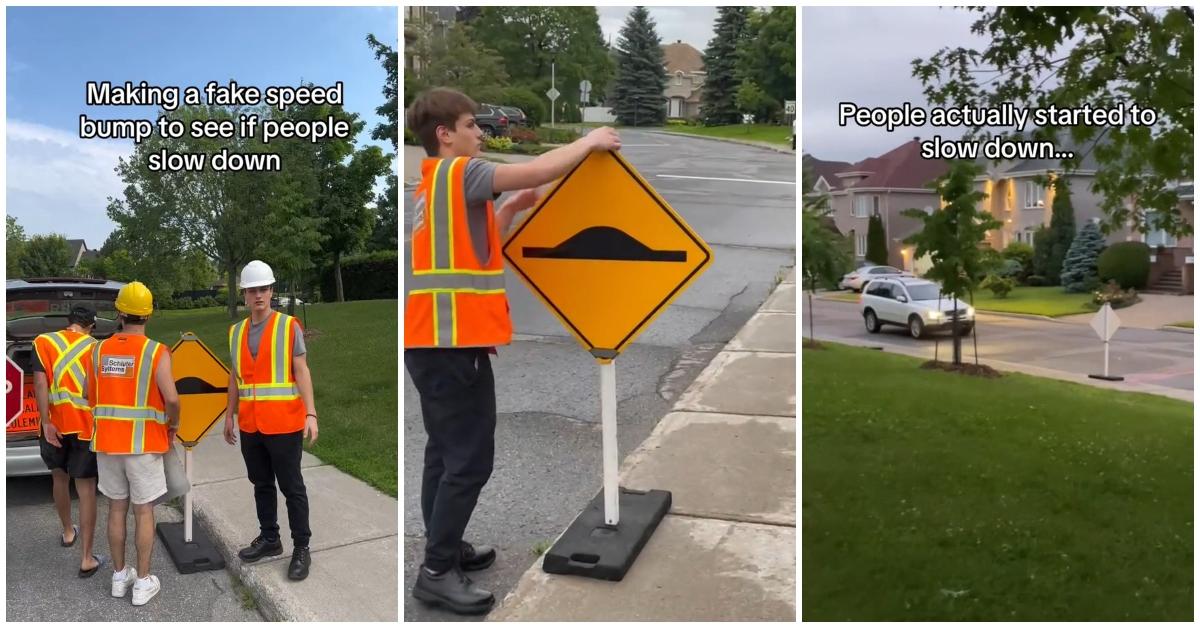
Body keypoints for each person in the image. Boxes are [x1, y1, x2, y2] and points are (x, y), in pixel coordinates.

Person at [404, 87, 621, 615]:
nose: (481, 133)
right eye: (472, 124)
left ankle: (445, 546)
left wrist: (509, 214)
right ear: (444, 134)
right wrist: (590, 141)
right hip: (453, 346)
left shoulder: (431, 188)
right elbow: (537, 169)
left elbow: (474, 253)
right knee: (470, 462)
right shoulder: (464, 174)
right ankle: (436, 571)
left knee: (443, 453)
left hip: (433, 343)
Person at [223, 260, 318, 582]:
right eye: (252, 290)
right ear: (245, 295)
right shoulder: (235, 332)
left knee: (292, 488)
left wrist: (311, 412)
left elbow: (301, 370)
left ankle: (302, 548)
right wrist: (228, 415)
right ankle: (270, 538)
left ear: (271, 291)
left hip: (285, 423)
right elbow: (234, 378)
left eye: (263, 289)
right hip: (251, 425)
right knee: (261, 484)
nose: (259, 295)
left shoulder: (288, 326)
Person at [85, 281, 180, 606]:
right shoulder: (156, 352)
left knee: (115, 509)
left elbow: (89, 395)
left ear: (119, 312)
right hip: (143, 447)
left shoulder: (97, 350)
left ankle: (118, 576)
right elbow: (171, 398)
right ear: (149, 315)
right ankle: (142, 583)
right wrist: (173, 424)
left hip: (108, 445)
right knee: (143, 512)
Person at [32, 305, 103, 577]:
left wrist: (46, 422)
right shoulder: (97, 348)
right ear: (91, 326)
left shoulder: (44, 342)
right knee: (86, 490)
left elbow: (40, 384)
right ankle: (87, 558)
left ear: (69, 322)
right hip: (85, 428)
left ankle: (67, 531)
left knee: (58, 480)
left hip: (55, 427)